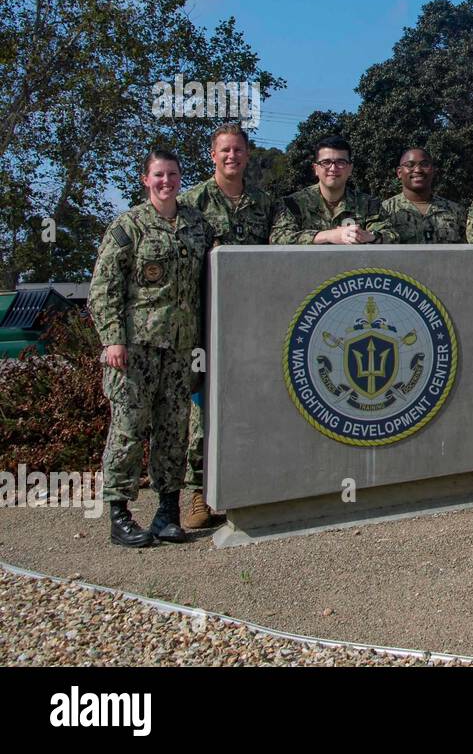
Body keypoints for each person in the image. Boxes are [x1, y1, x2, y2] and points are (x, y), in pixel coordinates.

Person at [88, 149, 211, 547]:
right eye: (158, 175)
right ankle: (120, 514)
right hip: (136, 349)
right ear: (145, 179)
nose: (166, 182)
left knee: (173, 432)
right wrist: (112, 339)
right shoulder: (128, 227)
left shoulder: (196, 225)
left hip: (180, 350)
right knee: (128, 430)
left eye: (173, 174)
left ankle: (166, 511)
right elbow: (103, 287)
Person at [176, 123, 273, 530]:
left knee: (254, 404)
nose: (232, 157)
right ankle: (198, 492)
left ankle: (248, 484)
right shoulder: (191, 202)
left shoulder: (265, 203)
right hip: (202, 322)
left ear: (248, 156)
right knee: (203, 406)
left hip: (252, 323)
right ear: (212, 155)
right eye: (224, 151)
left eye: (238, 150)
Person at [270, 135, 394, 245]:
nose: (333, 168)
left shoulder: (369, 204)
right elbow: (277, 238)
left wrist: (369, 236)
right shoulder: (293, 204)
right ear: (316, 168)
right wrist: (328, 236)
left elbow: (392, 235)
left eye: (341, 162)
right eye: (326, 162)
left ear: (350, 168)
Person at [381, 147, 466, 244]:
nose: (418, 170)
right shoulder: (385, 210)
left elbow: (468, 253)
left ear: (433, 170)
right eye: (410, 165)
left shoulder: (455, 211)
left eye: (424, 164)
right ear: (399, 172)